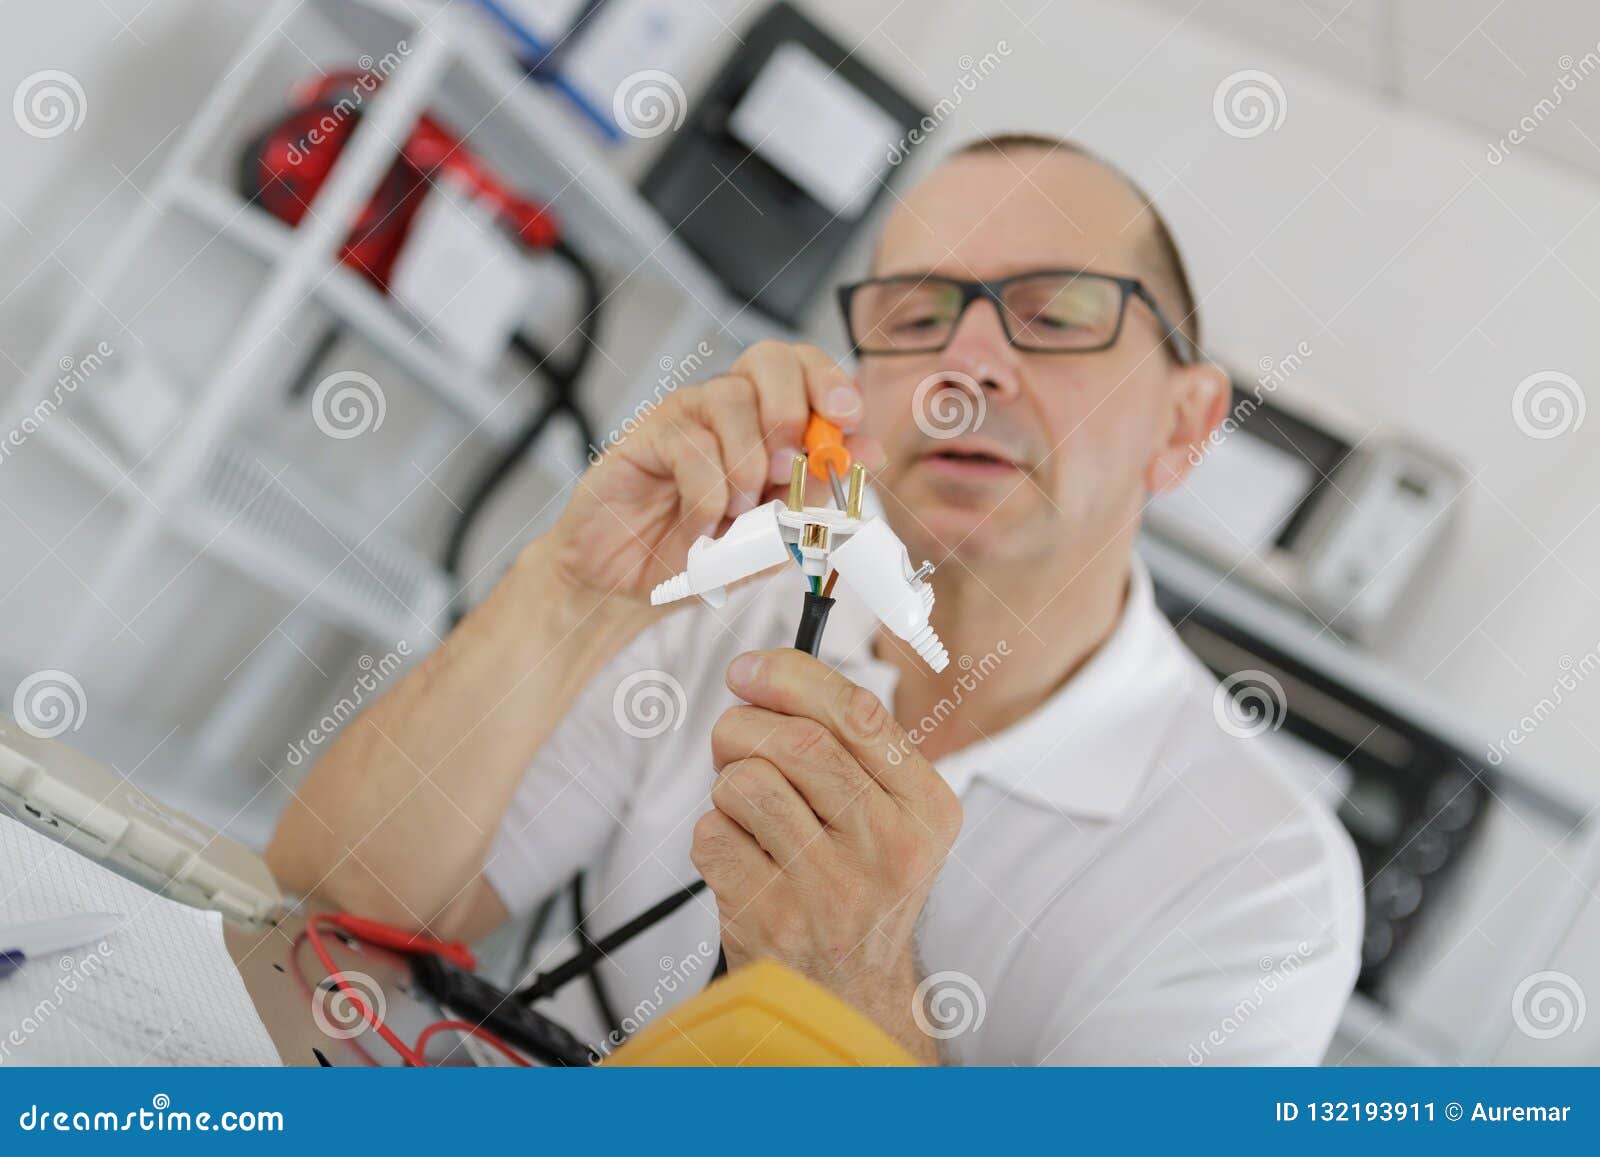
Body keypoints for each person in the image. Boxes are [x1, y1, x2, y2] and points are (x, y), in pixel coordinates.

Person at [267, 133, 1363, 1065]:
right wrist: (567, 594)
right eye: (915, 310)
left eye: (1057, 311)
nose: (964, 366)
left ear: (1184, 424)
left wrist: (854, 980)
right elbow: (319, 907)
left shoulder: (1268, 880)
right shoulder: (726, 605)